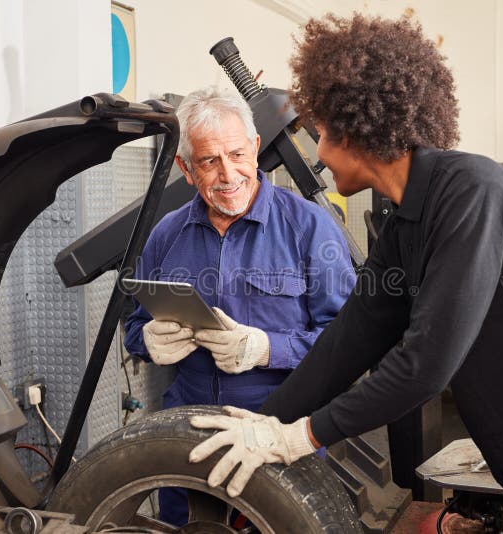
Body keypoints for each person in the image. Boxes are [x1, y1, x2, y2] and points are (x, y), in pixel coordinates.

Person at [187, 14, 503, 533]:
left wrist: (302, 436)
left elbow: (425, 364)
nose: (320, 156)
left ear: (357, 128)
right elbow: (349, 340)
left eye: (322, 135)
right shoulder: (405, 222)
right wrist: (267, 422)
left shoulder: (470, 191)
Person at [123, 86, 355, 525]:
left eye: (236, 154)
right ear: (186, 169)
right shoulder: (165, 237)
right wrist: (146, 341)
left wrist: (267, 348)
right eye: (210, 161)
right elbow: (136, 327)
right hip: (186, 438)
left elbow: (347, 344)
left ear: (253, 149)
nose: (228, 174)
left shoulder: (309, 229)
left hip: (278, 433)